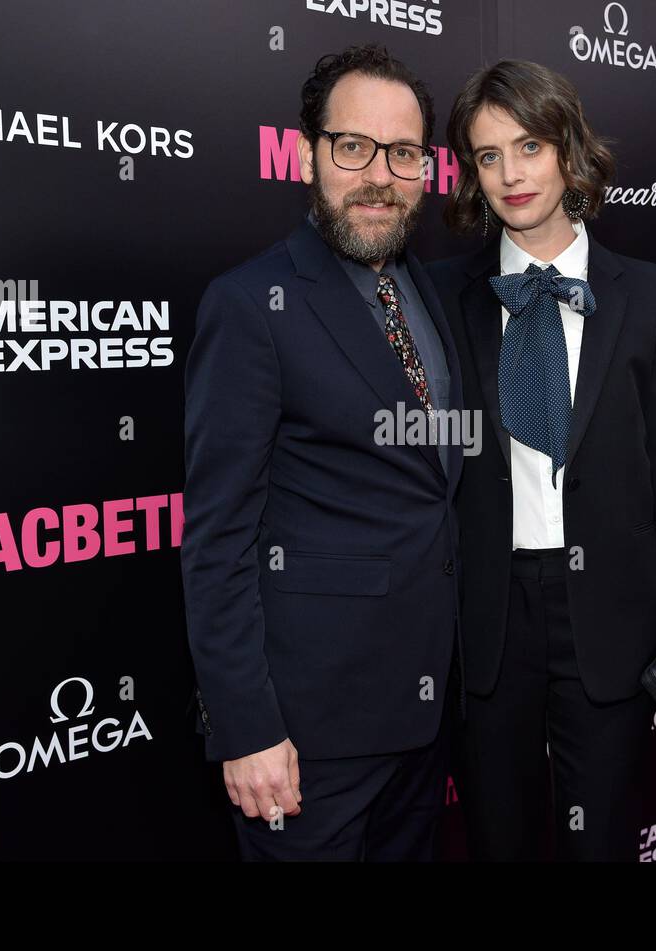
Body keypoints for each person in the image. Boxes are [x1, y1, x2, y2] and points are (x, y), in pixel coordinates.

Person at [427, 59, 656, 861]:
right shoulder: (443, 297)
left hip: (609, 617)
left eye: (528, 146)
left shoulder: (646, 294)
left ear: (568, 148)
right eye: (488, 156)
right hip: (489, 620)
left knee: (601, 844)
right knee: (498, 839)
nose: (511, 174)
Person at [181, 43, 463, 861]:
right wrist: (247, 727)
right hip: (307, 740)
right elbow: (217, 539)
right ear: (309, 154)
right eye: (354, 148)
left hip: (425, 717)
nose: (380, 175)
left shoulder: (428, 290)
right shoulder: (250, 304)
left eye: (404, 153)